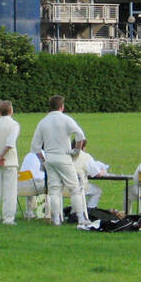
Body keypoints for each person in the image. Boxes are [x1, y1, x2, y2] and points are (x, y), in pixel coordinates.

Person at [29, 94, 97, 229]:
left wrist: (43, 159)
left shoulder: (43, 122)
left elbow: (36, 146)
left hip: (50, 157)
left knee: (54, 189)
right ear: (62, 107)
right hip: (64, 156)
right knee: (74, 188)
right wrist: (76, 151)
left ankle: (56, 218)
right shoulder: (66, 119)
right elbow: (80, 135)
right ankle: (81, 218)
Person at [70, 138, 111, 210]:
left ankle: (75, 211)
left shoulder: (66, 155)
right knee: (97, 190)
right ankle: (90, 210)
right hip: (78, 187)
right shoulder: (85, 156)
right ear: (83, 147)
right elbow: (97, 174)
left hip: (63, 188)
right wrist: (103, 171)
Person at [18, 151, 47, 219]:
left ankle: (29, 211)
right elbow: (40, 177)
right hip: (34, 187)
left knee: (31, 182)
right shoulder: (43, 154)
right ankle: (43, 213)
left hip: (20, 187)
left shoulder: (28, 155)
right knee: (48, 185)